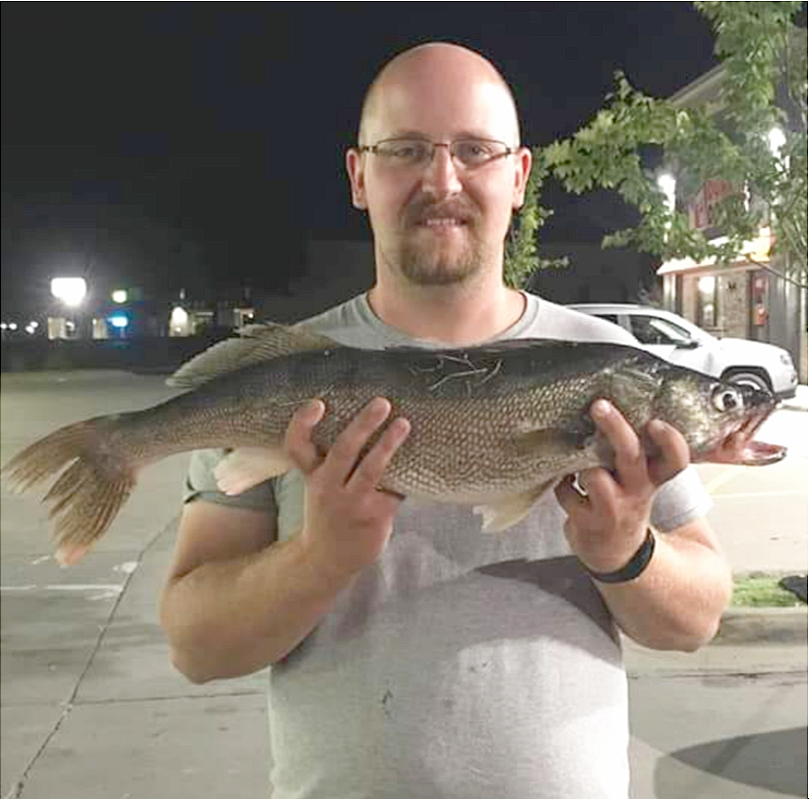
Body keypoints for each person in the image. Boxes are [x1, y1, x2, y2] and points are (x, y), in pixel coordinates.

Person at [158, 42, 733, 799]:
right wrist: (319, 558)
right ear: (358, 176)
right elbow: (198, 648)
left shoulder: (611, 368)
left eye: (474, 150)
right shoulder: (284, 375)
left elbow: (694, 622)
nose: (441, 180)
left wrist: (626, 550)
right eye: (404, 150)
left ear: (517, 176)